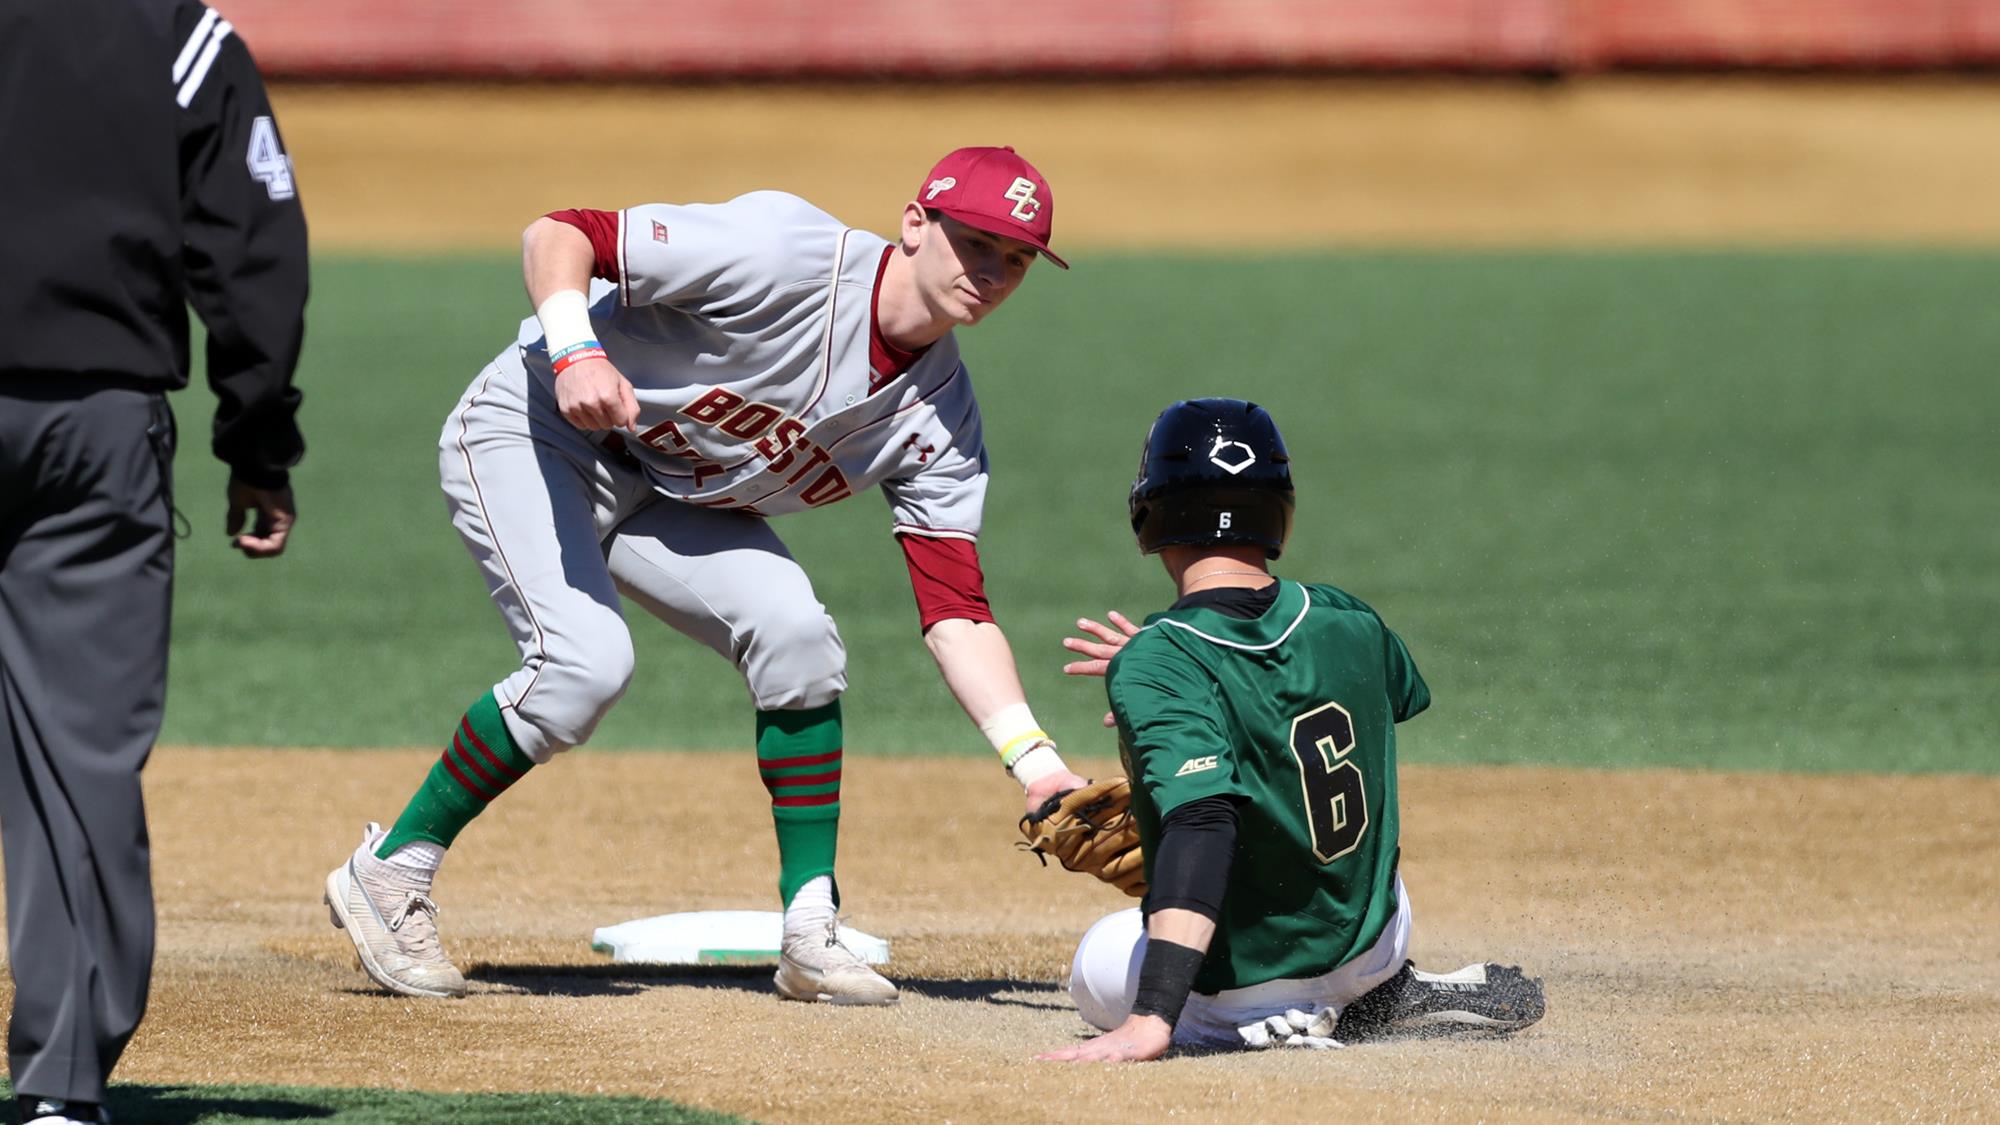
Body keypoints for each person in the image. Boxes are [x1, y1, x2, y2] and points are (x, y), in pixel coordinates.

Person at [324, 146, 1093, 1006]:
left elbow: (956, 608)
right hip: (540, 426)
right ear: (916, 225)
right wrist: (577, 348)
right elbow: (561, 233)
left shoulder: (941, 418)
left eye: (1017, 259)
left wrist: (1036, 763)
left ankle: (810, 926)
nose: (992, 272)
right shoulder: (785, 251)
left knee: (800, 637)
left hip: (668, 486)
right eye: (977, 243)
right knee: (585, 665)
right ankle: (389, 872)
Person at [0, 0, 309, 1120]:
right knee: (78, 757)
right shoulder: (178, 31)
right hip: (96, 422)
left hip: (92, 418)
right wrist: (258, 444)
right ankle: (59, 1089)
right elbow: (253, 251)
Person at [1039, 399, 1544, 1062]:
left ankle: (1280, 1017)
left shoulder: (1163, 655)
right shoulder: (1350, 617)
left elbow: (1203, 821)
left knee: (1095, 963)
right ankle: (1378, 994)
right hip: (1372, 939)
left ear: (1152, 506)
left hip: (1249, 985)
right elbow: (1340, 697)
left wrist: (1151, 1018)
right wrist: (1183, 670)